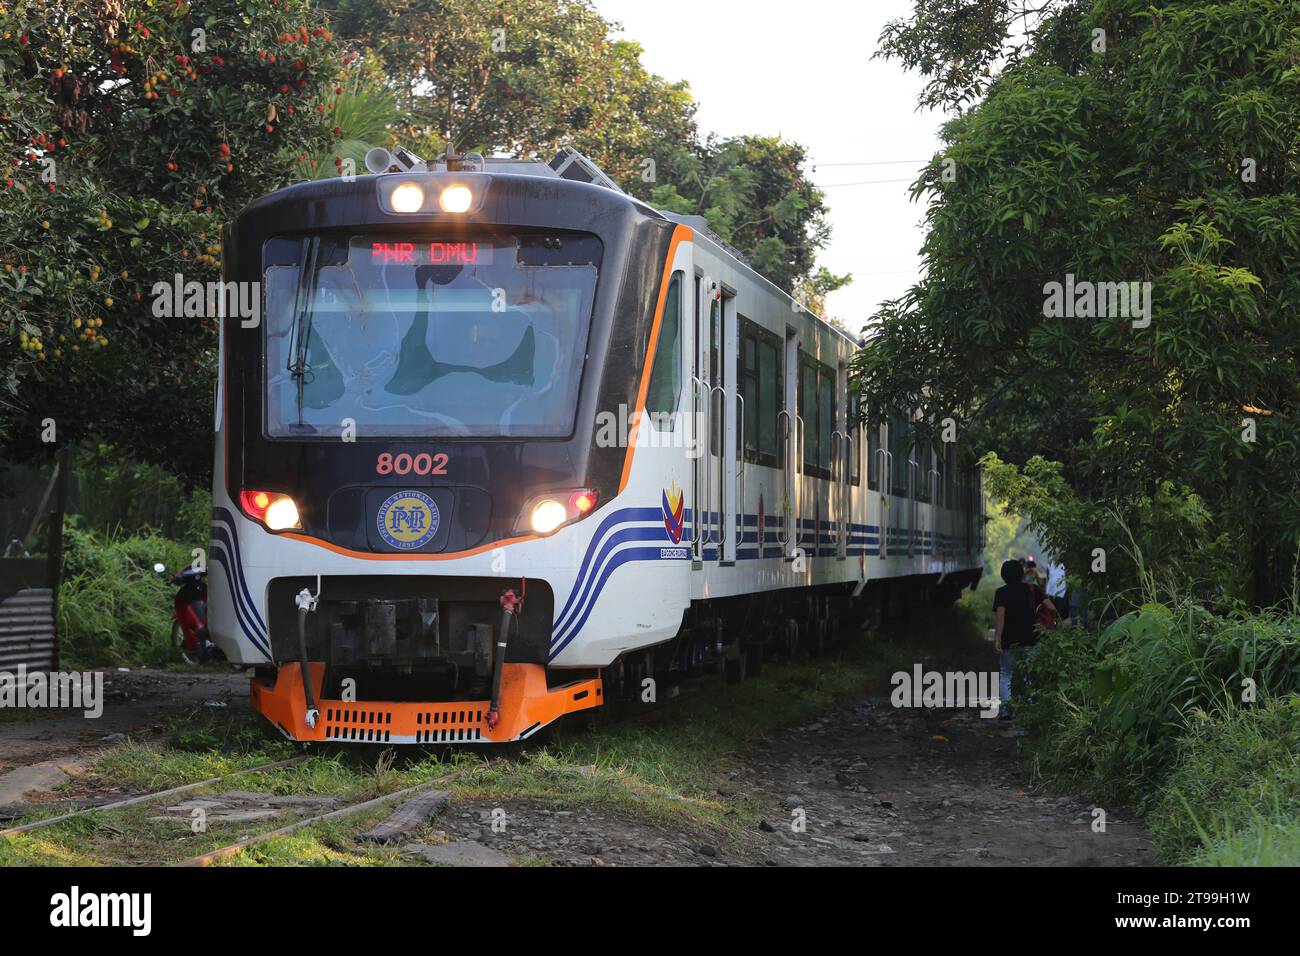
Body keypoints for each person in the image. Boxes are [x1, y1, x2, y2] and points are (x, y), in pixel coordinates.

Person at [993, 558, 1057, 720]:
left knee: (1006, 674)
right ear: (1021, 574)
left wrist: (997, 639)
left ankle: (1006, 711)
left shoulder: (1001, 593)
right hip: (1031, 638)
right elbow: (1051, 607)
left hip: (1009, 641)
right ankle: (1029, 709)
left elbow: (1000, 617)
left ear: (1003, 576)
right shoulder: (1033, 589)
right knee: (1029, 674)